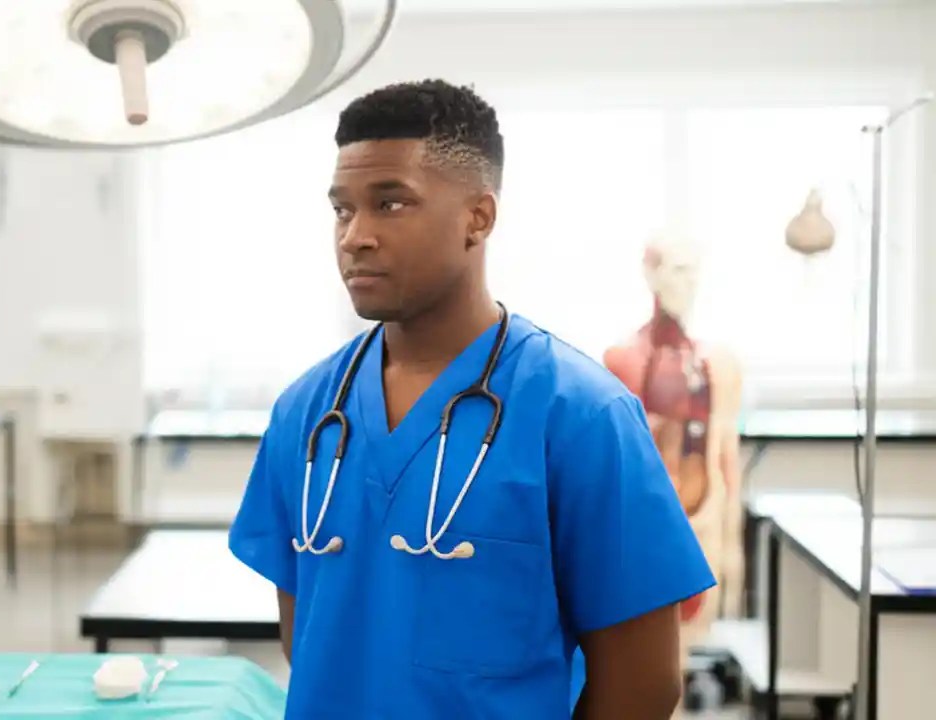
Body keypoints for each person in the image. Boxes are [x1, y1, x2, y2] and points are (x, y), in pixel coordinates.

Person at [227, 79, 715, 719]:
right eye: (343, 209)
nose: (355, 237)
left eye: (391, 204)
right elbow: (312, 639)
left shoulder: (581, 416)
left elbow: (644, 684)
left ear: (478, 218)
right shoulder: (308, 413)